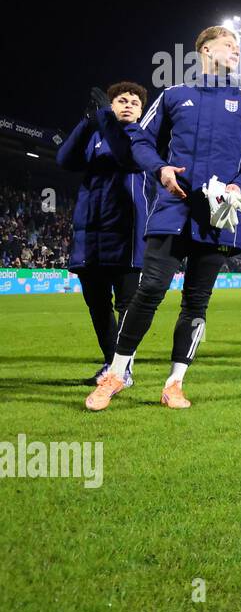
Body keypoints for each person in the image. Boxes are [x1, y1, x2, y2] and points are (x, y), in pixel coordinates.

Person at [85, 25, 241, 410]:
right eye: (228, 45)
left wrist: (237, 187)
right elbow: (141, 139)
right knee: (149, 290)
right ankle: (116, 374)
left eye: (239, 47)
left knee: (196, 302)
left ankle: (174, 383)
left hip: (218, 215)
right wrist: (161, 171)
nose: (236, 51)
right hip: (172, 211)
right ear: (204, 50)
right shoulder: (174, 96)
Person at [57, 82, 149, 386]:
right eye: (121, 101)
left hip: (126, 236)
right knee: (97, 305)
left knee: (126, 305)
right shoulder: (95, 136)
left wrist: (105, 120)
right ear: (109, 106)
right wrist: (87, 123)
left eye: (134, 103)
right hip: (90, 238)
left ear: (141, 112)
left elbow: (125, 156)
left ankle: (124, 368)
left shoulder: (141, 137)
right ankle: (113, 365)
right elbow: (64, 160)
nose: (128, 105)